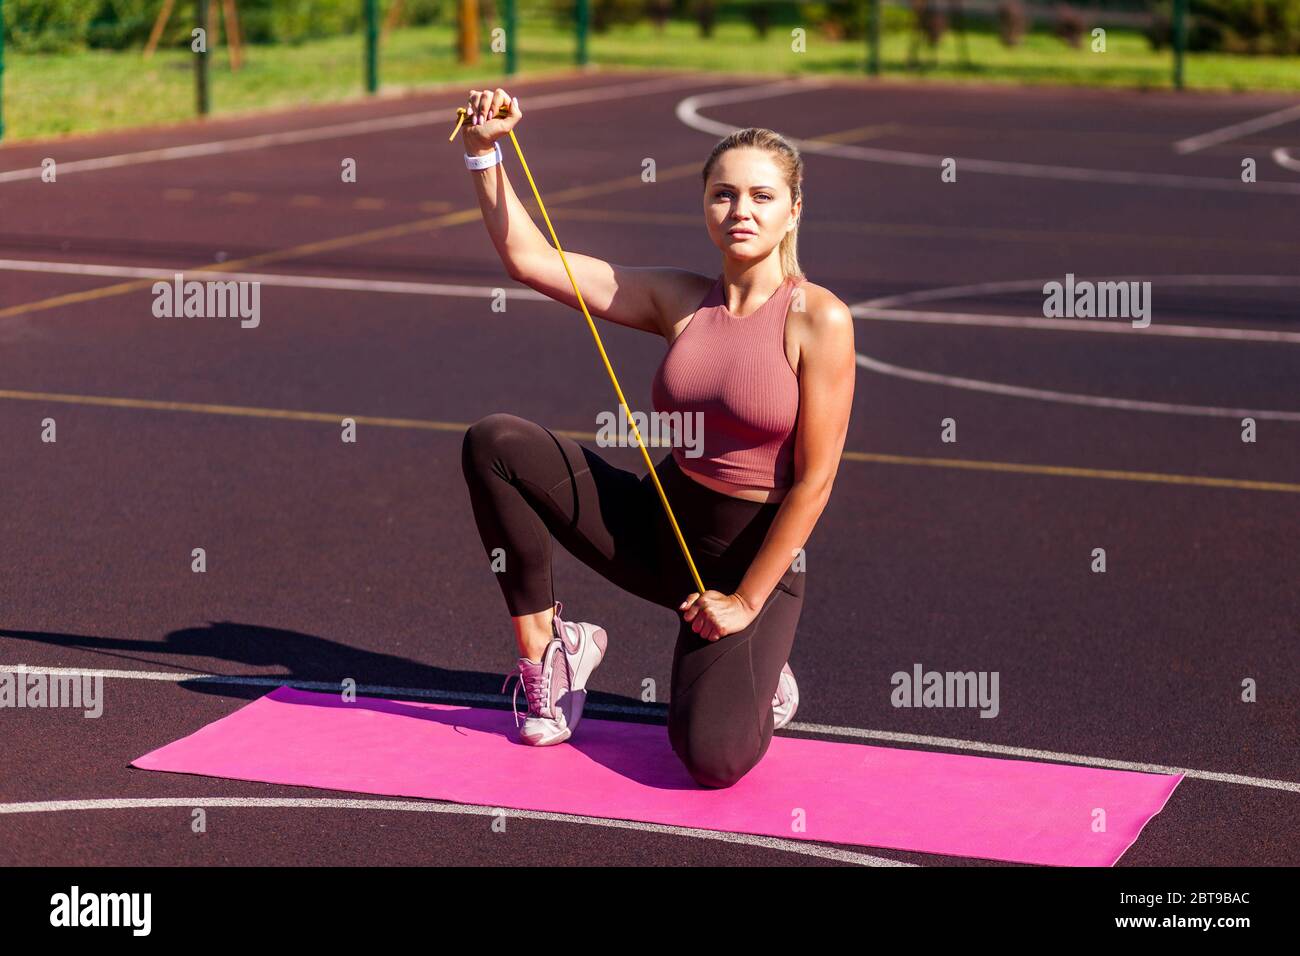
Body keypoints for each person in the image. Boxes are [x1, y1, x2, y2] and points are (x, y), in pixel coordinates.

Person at [458, 87, 856, 788]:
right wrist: (483, 152)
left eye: (762, 196)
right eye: (724, 195)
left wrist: (745, 603)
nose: (741, 211)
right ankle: (552, 652)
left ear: (794, 210)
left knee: (711, 759)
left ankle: (761, 669)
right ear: (705, 205)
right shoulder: (679, 298)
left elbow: (814, 481)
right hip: (661, 525)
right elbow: (531, 259)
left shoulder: (817, 318)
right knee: (496, 443)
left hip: (747, 561)